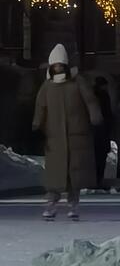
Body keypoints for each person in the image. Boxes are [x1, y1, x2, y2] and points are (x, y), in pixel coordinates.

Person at [33, 44, 102, 221]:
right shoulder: (47, 86)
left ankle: (73, 203)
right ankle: (51, 203)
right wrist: (37, 125)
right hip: (54, 137)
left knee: (74, 173)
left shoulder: (77, 82)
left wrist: (95, 117)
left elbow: (90, 101)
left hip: (76, 135)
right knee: (55, 173)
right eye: (54, 65)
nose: (57, 68)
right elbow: (41, 107)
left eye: (60, 64)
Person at [91, 75, 114, 190]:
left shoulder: (91, 95)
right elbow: (108, 114)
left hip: (93, 132)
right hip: (102, 131)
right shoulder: (104, 96)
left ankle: (93, 180)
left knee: (94, 157)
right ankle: (99, 180)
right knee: (101, 158)